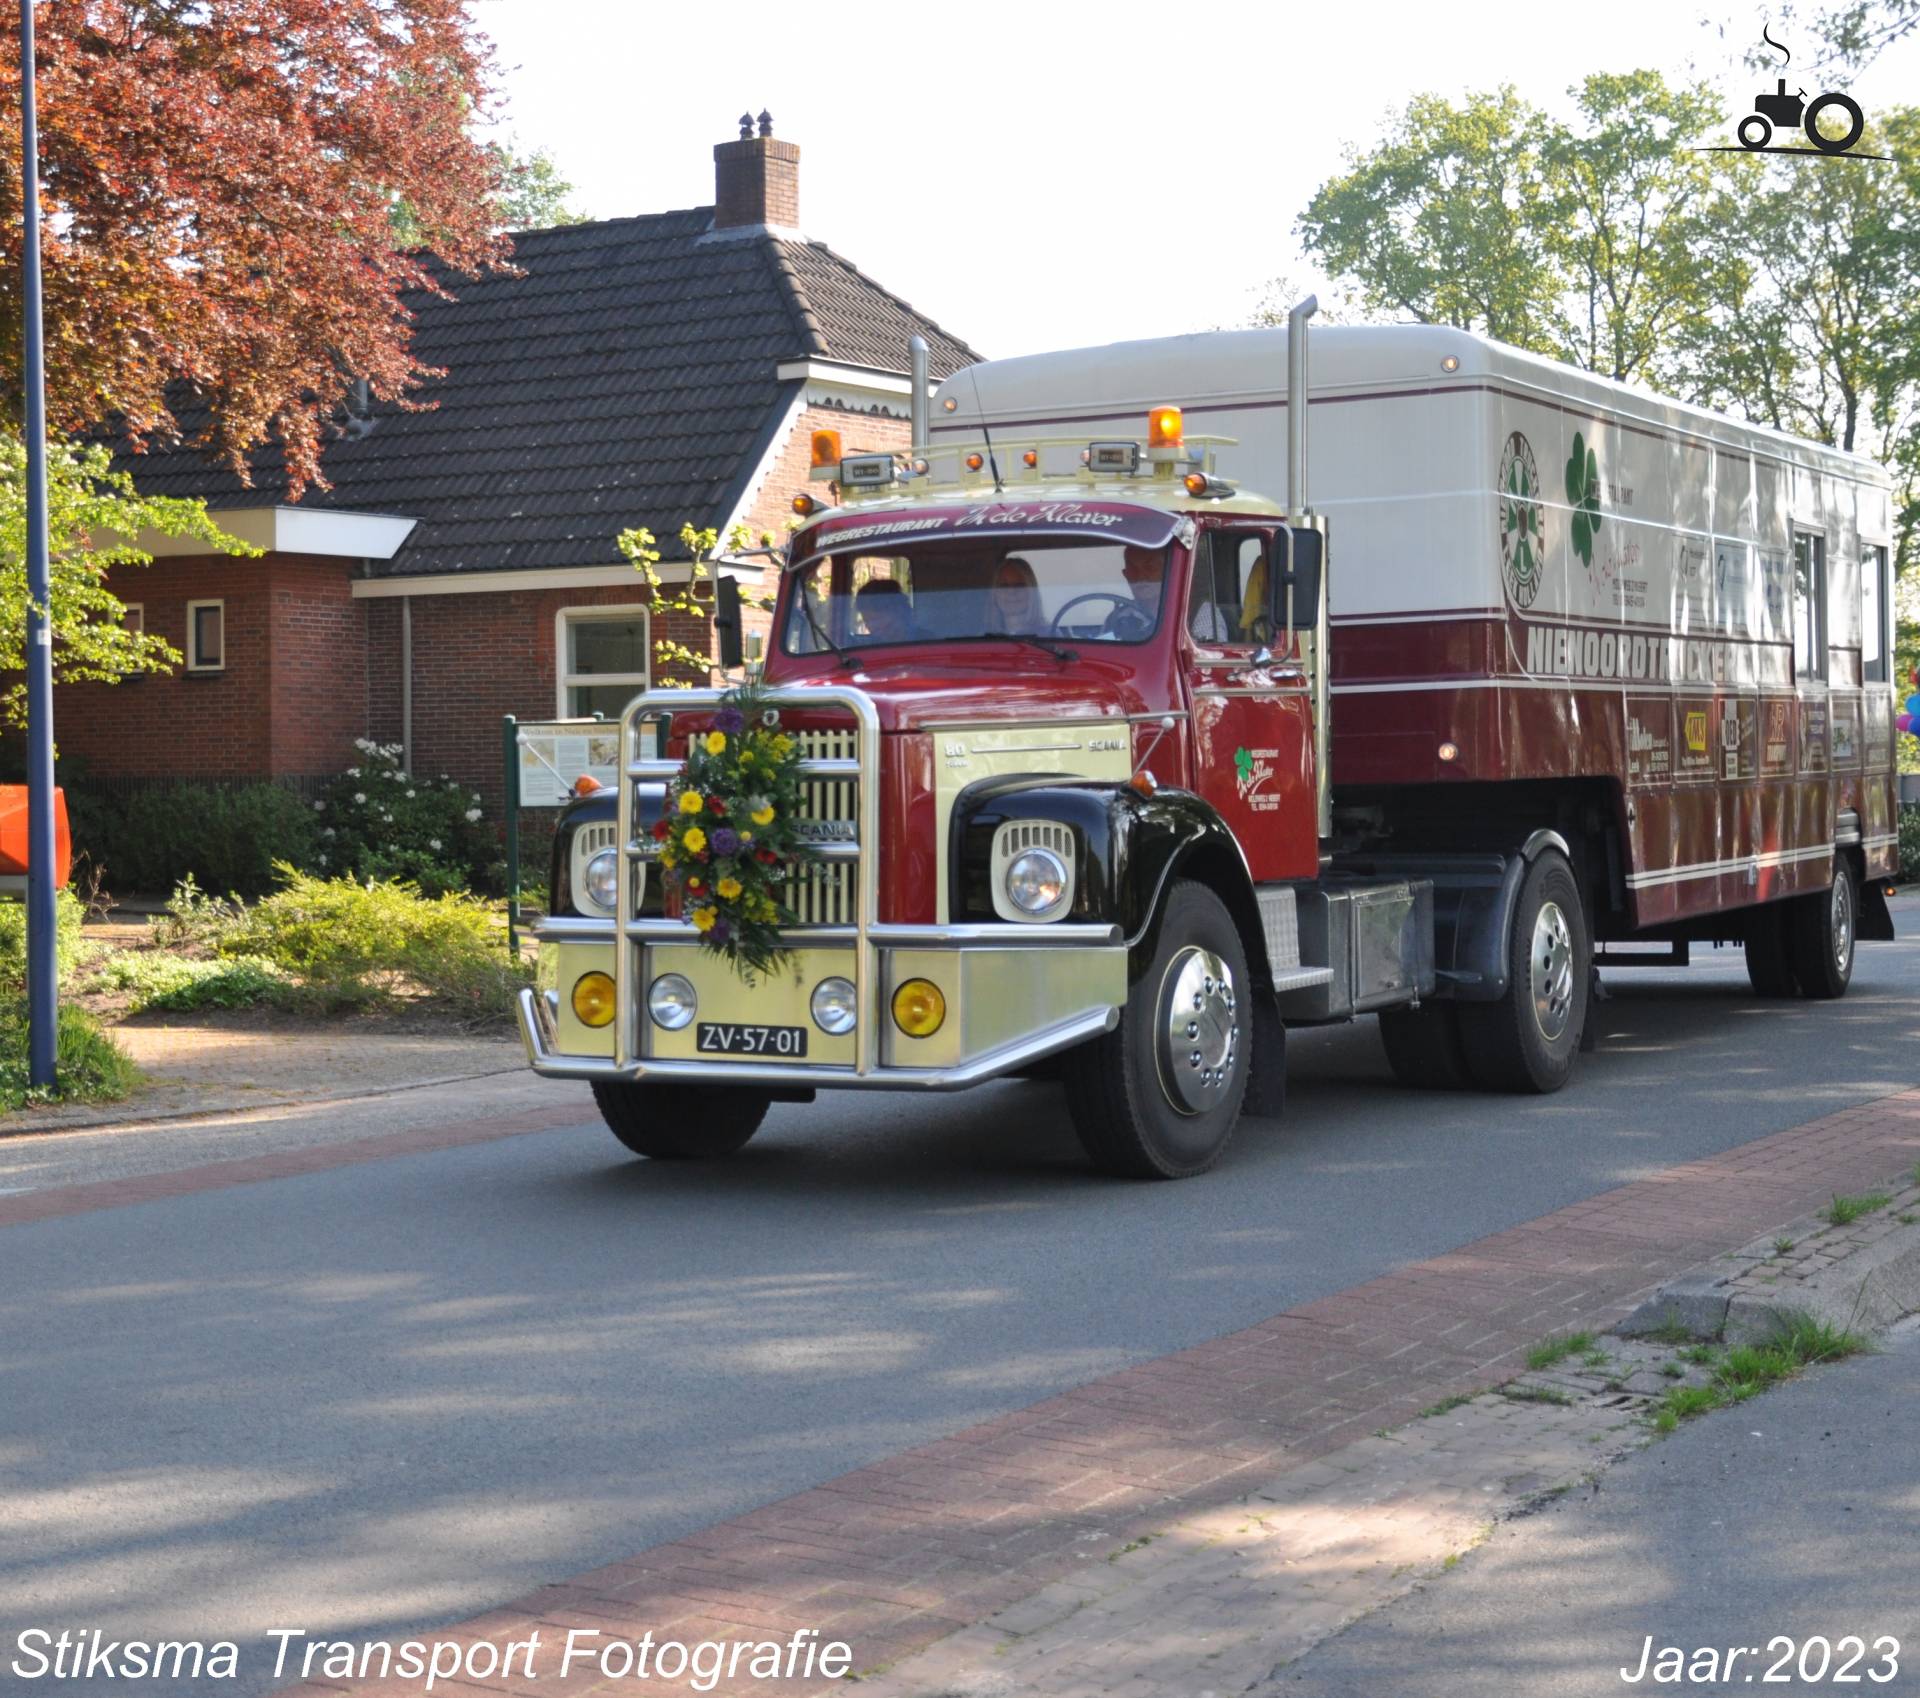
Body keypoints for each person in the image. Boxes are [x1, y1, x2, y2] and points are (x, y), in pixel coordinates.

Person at [987, 557, 1041, 635]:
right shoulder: (983, 637)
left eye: (1019, 585)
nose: (1011, 591)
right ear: (994, 594)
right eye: (1004, 586)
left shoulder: (1049, 636)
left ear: (1032, 593)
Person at [854, 577, 913, 645]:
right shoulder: (869, 648)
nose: (870, 626)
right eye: (866, 621)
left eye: (875, 619)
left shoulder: (924, 643)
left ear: (897, 612)